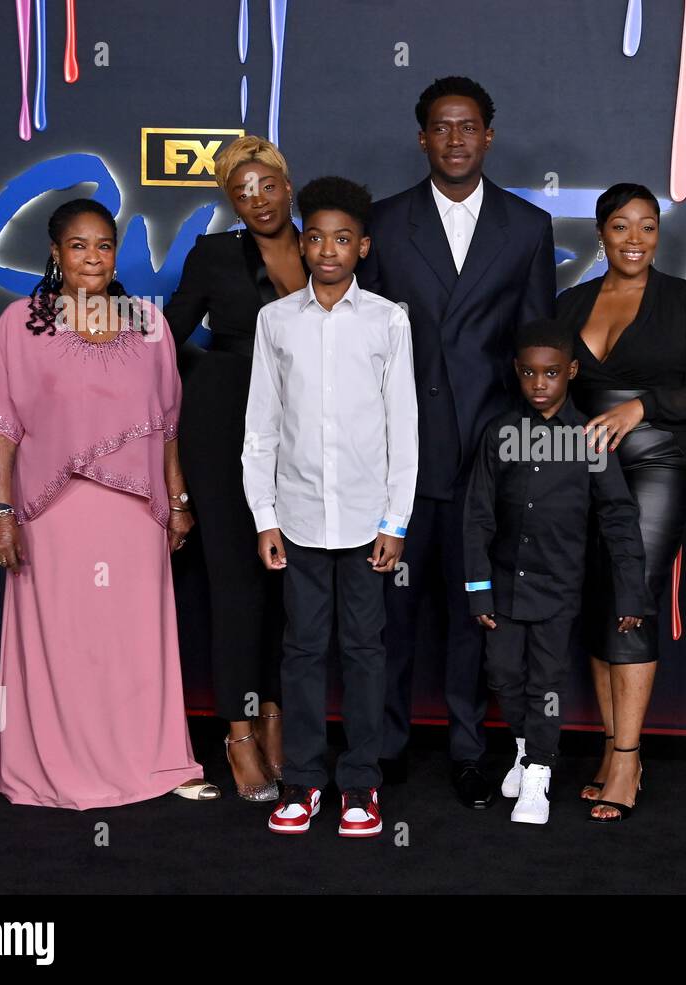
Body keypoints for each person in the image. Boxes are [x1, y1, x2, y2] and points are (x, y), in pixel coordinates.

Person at [0, 198, 217, 809]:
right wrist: (0, 513)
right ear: (55, 254)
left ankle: (148, 761)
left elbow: (166, 424)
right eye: (78, 245)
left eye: (103, 245)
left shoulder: (147, 324)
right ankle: (59, 767)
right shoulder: (20, 322)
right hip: (53, 516)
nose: (92, 257)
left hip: (134, 516)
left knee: (134, 645)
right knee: (67, 645)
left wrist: (179, 499)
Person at [359, 76, 555, 809]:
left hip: (485, 458)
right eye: (441, 127)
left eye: (468, 126)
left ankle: (472, 752)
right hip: (400, 459)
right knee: (391, 613)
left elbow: (535, 346)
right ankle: (385, 744)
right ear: (422, 139)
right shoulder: (384, 221)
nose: (455, 139)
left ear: (488, 136)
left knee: (478, 616)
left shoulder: (527, 226)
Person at [244, 176, 417, 837]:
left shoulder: (387, 320)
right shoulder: (275, 321)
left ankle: (361, 785)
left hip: (369, 522)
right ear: (302, 241)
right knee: (304, 650)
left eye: (342, 238)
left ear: (362, 247)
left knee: (366, 651)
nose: (326, 249)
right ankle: (305, 780)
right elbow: (261, 425)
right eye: (314, 236)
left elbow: (404, 427)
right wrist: (265, 515)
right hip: (301, 520)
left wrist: (394, 521)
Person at [554, 183, 686, 821]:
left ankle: (628, 758)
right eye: (621, 226)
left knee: (631, 601)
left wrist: (644, 405)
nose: (634, 239)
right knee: (599, 602)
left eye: (647, 227)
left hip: (659, 464)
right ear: (600, 233)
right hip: (583, 472)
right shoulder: (570, 303)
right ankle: (612, 748)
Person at [164, 135, 307, 802]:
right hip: (224, 428)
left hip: (305, 432)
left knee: (294, 584)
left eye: (266, 186)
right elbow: (166, 340)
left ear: (286, 183)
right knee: (236, 582)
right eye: (240, 192)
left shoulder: (323, 246)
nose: (256, 201)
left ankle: (279, 717)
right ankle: (241, 732)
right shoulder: (214, 253)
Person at [463, 320, 648, 825]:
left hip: (560, 587)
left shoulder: (589, 439)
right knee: (502, 674)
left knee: (546, 682)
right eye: (528, 373)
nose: (539, 384)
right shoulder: (499, 433)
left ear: (570, 371)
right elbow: (477, 514)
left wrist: (632, 593)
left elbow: (618, 517)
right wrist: (478, 589)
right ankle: (525, 749)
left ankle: (539, 775)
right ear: (517, 373)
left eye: (550, 373)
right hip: (501, 585)